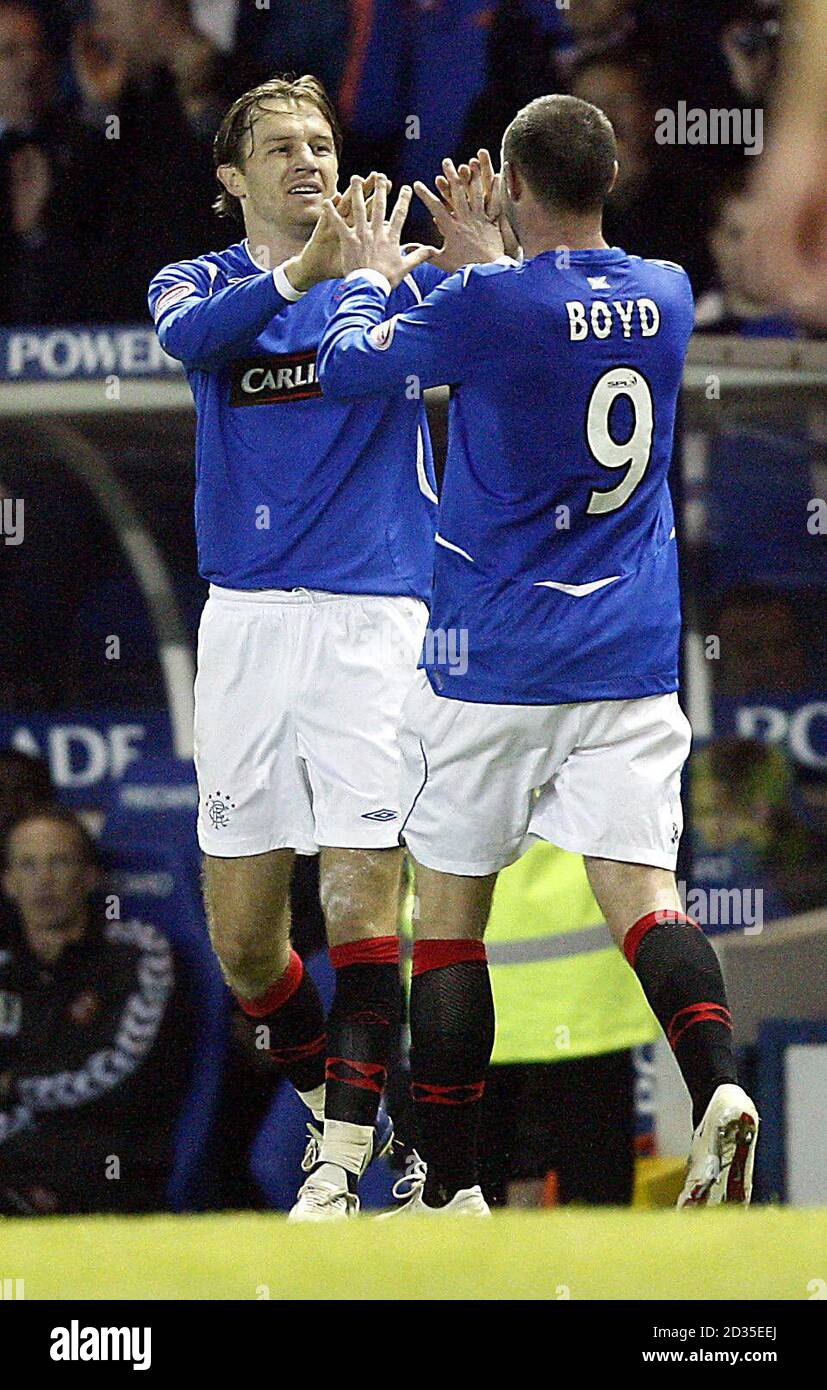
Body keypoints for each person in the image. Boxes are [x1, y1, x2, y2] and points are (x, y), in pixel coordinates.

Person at [317, 94, 760, 1215]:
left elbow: (349, 366)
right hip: (626, 658)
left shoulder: (486, 303)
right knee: (645, 897)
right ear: (606, 179)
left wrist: (376, 272)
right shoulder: (662, 293)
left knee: (453, 922)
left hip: (491, 660)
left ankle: (454, 1192)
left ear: (512, 186)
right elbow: (545, 319)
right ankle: (715, 1086)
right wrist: (487, 266)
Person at [148, 74, 500, 1221]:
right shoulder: (199, 284)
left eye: (320, 141)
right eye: (280, 146)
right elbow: (190, 336)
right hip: (244, 626)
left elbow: (501, 332)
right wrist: (306, 275)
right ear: (230, 177)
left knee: (359, 902)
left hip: (370, 620)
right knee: (246, 948)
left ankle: (335, 1168)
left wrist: (476, 258)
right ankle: (386, 1152)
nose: (306, 158)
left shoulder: (391, 286)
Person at [0, 804, 188, 1213]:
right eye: (27, 866)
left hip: (105, 1153)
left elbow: (129, 1080)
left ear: (90, 875)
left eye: (59, 861)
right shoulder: (7, 962)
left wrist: (16, 1086)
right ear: (9, 882)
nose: (44, 880)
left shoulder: (138, 952)